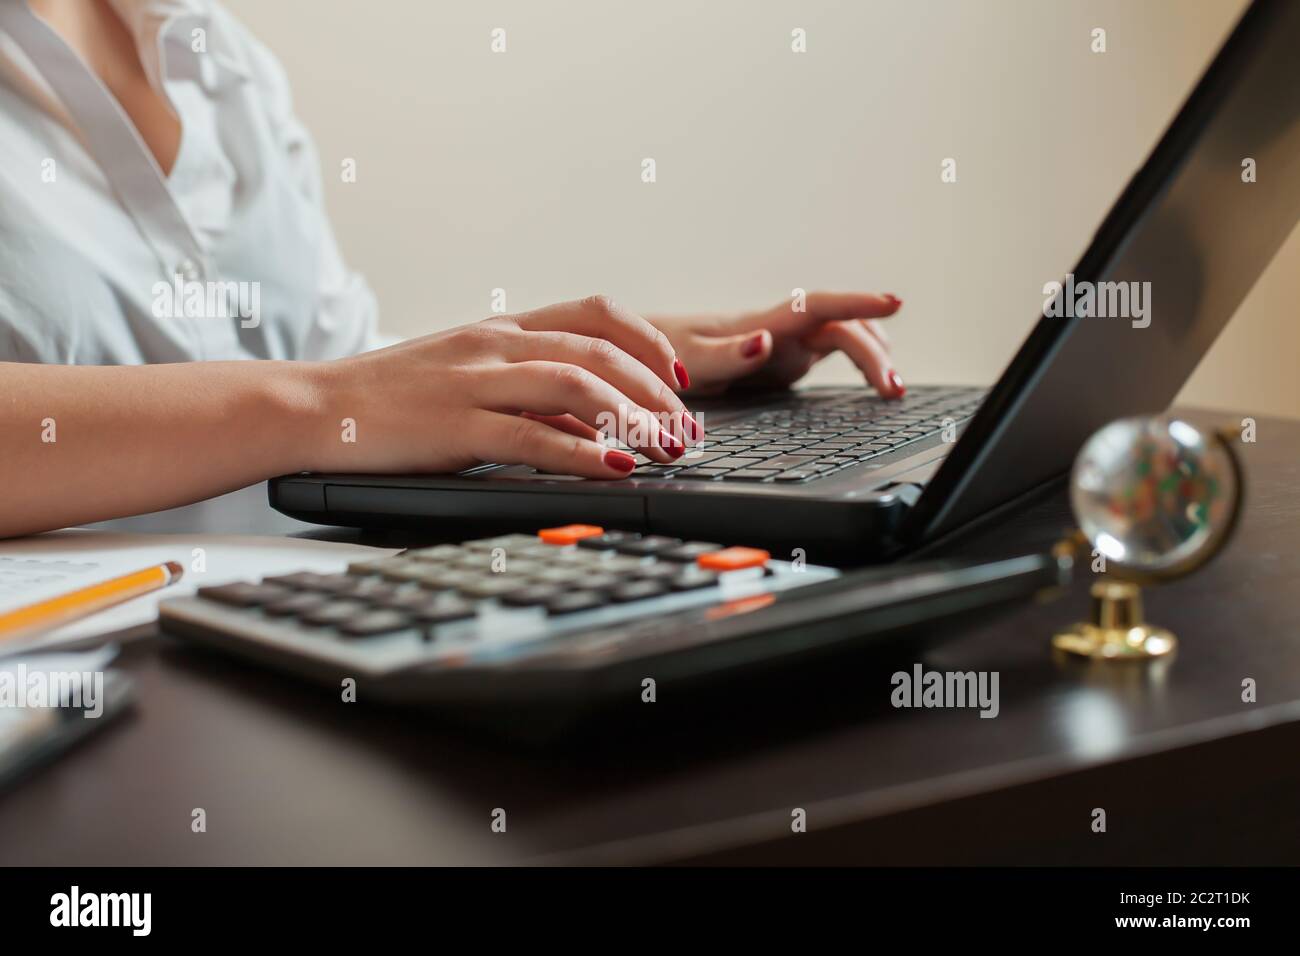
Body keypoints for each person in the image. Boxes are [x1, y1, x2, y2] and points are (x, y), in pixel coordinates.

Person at [0, 0, 904, 540]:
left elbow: (339, 366)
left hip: (305, 630)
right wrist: (322, 405)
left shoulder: (214, 55)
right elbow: (324, 398)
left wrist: (587, 363)